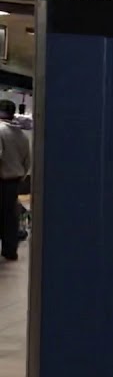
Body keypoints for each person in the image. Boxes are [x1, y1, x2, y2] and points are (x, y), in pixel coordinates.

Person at [0, 100, 32, 261]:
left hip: (2, 180)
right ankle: (10, 250)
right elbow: (27, 162)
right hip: (15, 181)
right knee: (10, 217)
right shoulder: (22, 136)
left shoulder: (0, 130)